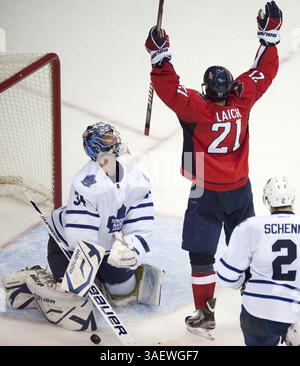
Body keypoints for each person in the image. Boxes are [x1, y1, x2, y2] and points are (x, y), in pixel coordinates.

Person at [145, 1, 282, 336]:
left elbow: (169, 88)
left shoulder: (196, 109)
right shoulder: (243, 100)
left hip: (204, 189)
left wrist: (159, 54)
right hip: (239, 188)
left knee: (202, 255)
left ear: (207, 91)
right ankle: (263, 304)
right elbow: (263, 72)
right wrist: (270, 35)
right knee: (248, 248)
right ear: (231, 87)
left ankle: (206, 315)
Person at [2, 121, 162, 331]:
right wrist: (84, 275)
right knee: (75, 297)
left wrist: (131, 250)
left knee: (124, 289)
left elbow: (141, 225)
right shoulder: (86, 183)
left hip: (106, 245)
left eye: (114, 136)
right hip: (68, 247)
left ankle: (103, 280)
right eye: (107, 139)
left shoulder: (137, 181)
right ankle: (30, 282)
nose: (114, 142)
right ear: (95, 147)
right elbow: (79, 237)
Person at [216, 176, 300, 346]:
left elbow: (226, 277)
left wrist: (244, 283)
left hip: (258, 311)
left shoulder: (250, 227)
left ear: (266, 200)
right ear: (293, 199)